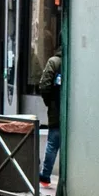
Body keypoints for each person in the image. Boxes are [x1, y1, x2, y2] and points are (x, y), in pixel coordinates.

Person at [36, 54, 62, 186]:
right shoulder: (79, 58)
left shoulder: (54, 61)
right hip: (76, 113)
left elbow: (44, 86)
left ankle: (45, 176)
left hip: (57, 110)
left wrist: (50, 102)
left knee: (52, 143)